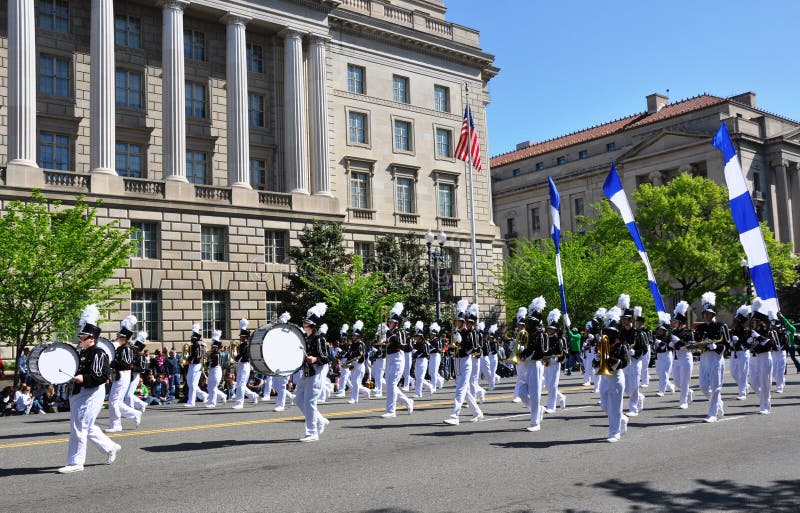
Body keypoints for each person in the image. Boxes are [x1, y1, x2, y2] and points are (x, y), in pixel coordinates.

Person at [58, 304, 120, 473]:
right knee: (86, 426)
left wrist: (83, 378)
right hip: (81, 393)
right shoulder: (84, 353)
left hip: (91, 393)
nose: (80, 340)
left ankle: (76, 462)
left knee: (79, 427)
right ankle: (110, 447)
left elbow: (101, 376)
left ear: (91, 339)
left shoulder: (98, 353)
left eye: (82, 337)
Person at [444, 300, 483, 425]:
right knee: (464, 390)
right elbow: (451, 349)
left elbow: (473, 349)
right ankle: (477, 412)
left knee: (460, 389)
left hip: (465, 361)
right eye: (456, 321)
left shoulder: (469, 333)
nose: (456, 323)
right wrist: (450, 351)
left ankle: (454, 415)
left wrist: (460, 344)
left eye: (459, 321)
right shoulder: (456, 333)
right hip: (457, 361)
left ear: (463, 322)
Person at [296, 303, 331, 441]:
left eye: (307, 324)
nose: (304, 325)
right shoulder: (306, 338)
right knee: (298, 399)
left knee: (310, 401)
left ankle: (312, 432)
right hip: (306, 372)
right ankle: (320, 420)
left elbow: (327, 357)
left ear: (313, 326)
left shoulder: (319, 338)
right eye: (305, 323)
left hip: (316, 371)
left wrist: (315, 358)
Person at [594, 306, 630, 443]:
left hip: (616, 377)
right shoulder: (602, 345)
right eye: (606, 331)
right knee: (604, 405)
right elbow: (594, 362)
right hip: (604, 377)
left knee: (615, 407)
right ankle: (622, 419)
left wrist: (608, 358)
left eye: (610, 332)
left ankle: (614, 432)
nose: (607, 334)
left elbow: (625, 362)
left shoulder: (621, 345)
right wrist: (597, 360)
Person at [693, 292, 730, 423]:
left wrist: (716, 347)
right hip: (704, 359)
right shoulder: (700, 328)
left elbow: (727, 343)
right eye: (705, 314)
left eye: (709, 314)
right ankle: (718, 403)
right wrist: (698, 347)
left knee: (716, 387)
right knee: (703, 386)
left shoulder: (721, 326)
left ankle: (712, 413)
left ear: (713, 314)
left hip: (716, 358)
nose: (706, 316)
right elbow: (697, 343)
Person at [106, 315, 142, 433]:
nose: (116, 338)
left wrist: (111, 363)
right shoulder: (123, 347)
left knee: (113, 401)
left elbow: (125, 364)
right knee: (116, 401)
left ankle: (116, 424)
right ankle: (135, 413)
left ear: (124, 338)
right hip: (121, 375)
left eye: (119, 336)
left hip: (123, 375)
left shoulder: (125, 348)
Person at [519, 297, 547, 432]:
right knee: (521, 392)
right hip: (525, 365)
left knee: (535, 395)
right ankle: (538, 410)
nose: (528, 324)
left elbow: (539, 351)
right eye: (528, 322)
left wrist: (525, 354)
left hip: (535, 365)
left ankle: (535, 422)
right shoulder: (526, 334)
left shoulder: (539, 335)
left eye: (531, 322)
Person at [382, 303, 414, 418]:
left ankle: (391, 411)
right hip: (390, 358)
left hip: (398, 358)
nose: (389, 323)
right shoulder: (388, 332)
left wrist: (389, 335)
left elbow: (402, 344)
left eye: (391, 322)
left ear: (395, 323)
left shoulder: (400, 332)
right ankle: (407, 401)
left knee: (392, 384)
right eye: (389, 322)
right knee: (390, 384)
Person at [749, 298, 775, 414]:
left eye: (754, 321)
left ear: (759, 322)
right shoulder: (752, 332)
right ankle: (764, 399)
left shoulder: (767, 331)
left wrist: (758, 337)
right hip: (755, 358)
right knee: (753, 381)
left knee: (765, 382)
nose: (752, 323)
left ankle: (765, 406)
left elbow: (771, 344)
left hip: (765, 357)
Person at [670, 301, 694, 409]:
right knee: (677, 381)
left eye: (676, 321)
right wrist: (670, 343)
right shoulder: (674, 332)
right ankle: (688, 391)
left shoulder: (688, 332)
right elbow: (669, 342)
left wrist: (678, 342)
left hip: (685, 357)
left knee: (684, 381)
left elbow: (691, 347)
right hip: (675, 358)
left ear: (681, 322)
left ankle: (683, 401)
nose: (674, 323)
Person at [271, 312, 296, 412]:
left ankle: (280, 405)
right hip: (276, 363)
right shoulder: (275, 336)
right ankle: (291, 396)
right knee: (275, 384)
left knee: (281, 385)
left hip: (285, 363)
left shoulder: (289, 336)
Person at [543, 309, 566, 414]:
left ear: (555, 329)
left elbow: (564, 353)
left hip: (555, 362)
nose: (549, 330)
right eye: (549, 328)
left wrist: (557, 358)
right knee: (547, 385)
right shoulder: (545, 338)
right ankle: (560, 397)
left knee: (553, 385)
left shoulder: (559, 339)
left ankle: (551, 406)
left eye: (551, 329)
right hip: (546, 362)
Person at [232, 319, 259, 409]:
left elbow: (243, 355)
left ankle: (240, 403)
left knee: (241, 384)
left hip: (245, 365)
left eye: (242, 336)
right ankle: (253, 396)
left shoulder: (247, 345)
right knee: (240, 384)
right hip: (241, 365)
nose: (240, 337)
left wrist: (236, 357)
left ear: (245, 337)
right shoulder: (242, 345)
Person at [729, 305, 752, 400]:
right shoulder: (731, 332)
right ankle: (745, 385)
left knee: (743, 373)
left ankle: (742, 393)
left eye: (735, 322)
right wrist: (730, 343)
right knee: (734, 373)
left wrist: (739, 342)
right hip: (734, 353)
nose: (733, 323)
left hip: (743, 353)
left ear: (740, 323)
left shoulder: (746, 332)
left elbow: (748, 344)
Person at [347, 320, 371, 404]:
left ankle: (354, 398)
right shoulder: (353, 344)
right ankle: (366, 391)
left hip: (359, 364)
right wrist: (348, 361)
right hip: (353, 364)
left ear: (358, 336)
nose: (353, 336)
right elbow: (350, 354)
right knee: (354, 381)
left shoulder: (360, 344)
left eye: (354, 335)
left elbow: (361, 355)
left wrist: (353, 357)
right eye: (353, 335)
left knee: (356, 381)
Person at [185, 324, 209, 407]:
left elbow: (197, 357)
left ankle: (191, 402)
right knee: (189, 383)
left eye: (192, 338)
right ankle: (203, 395)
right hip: (191, 365)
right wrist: (188, 359)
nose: (191, 339)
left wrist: (189, 360)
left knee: (193, 384)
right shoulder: (191, 347)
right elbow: (191, 356)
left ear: (195, 340)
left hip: (197, 366)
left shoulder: (198, 347)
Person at [653, 312, 676, 397]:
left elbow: (670, 347)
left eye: (661, 329)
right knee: (659, 373)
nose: (659, 330)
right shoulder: (656, 336)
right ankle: (670, 385)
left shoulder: (670, 336)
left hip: (667, 355)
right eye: (659, 329)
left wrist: (661, 344)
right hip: (659, 356)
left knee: (664, 374)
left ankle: (661, 391)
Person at [510, 307, 529, 403]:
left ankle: (521, 394)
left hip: (525, 357)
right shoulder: (516, 333)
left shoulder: (526, 333)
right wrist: (513, 345)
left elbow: (527, 345)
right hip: (518, 357)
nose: (519, 326)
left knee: (524, 377)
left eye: (520, 325)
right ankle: (517, 395)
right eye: (518, 325)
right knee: (520, 377)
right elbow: (512, 346)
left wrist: (523, 348)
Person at [205, 331, 228, 408]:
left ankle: (212, 402)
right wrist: (207, 363)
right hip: (212, 370)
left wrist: (209, 363)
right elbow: (209, 363)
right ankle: (223, 396)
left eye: (215, 347)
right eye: (213, 346)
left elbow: (215, 363)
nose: (213, 348)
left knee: (213, 387)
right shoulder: (212, 354)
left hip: (216, 370)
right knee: (210, 387)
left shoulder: (218, 354)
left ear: (218, 348)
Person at [412, 320, 434, 398]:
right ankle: (429, 386)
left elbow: (426, 353)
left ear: (420, 336)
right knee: (418, 377)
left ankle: (418, 393)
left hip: (423, 361)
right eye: (415, 336)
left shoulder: (424, 343)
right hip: (418, 361)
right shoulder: (416, 344)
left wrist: (417, 354)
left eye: (417, 336)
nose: (416, 337)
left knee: (420, 377)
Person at [427, 322, 445, 391]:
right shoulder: (431, 340)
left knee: (433, 372)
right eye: (431, 334)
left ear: (434, 334)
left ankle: (433, 386)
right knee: (430, 372)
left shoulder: (437, 341)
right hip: (432, 356)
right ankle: (440, 380)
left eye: (432, 334)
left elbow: (436, 349)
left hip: (436, 356)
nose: (430, 335)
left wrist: (429, 345)